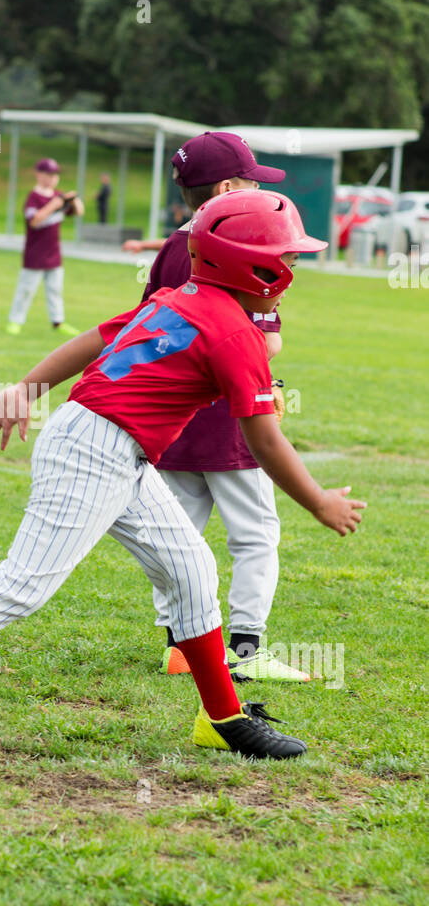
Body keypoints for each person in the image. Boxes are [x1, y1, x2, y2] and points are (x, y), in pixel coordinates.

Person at [0, 189, 364, 770]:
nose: (290, 266)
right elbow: (263, 439)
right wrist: (318, 502)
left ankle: (224, 719)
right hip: (98, 448)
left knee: (192, 569)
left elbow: (99, 338)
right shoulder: (234, 332)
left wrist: (30, 386)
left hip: (112, 446)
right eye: (283, 255)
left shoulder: (182, 296)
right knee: (23, 586)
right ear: (246, 263)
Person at [137, 132, 310, 682]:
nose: (259, 190)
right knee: (256, 534)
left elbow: (146, 324)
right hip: (234, 416)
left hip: (174, 419)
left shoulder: (172, 248)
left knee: (178, 533)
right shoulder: (243, 244)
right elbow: (266, 341)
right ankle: (246, 647)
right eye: (252, 181)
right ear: (229, 188)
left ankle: (179, 646)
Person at [5, 158, 82, 338]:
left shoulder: (59, 196)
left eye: (55, 175)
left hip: (54, 253)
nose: (53, 178)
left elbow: (78, 212)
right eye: (48, 174)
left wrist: (75, 199)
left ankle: (58, 321)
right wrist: (55, 203)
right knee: (26, 289)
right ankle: (15, 321)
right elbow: (35, 220)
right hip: (35, 254)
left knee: (55, 290)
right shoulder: (34, 198)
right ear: (38, 174)